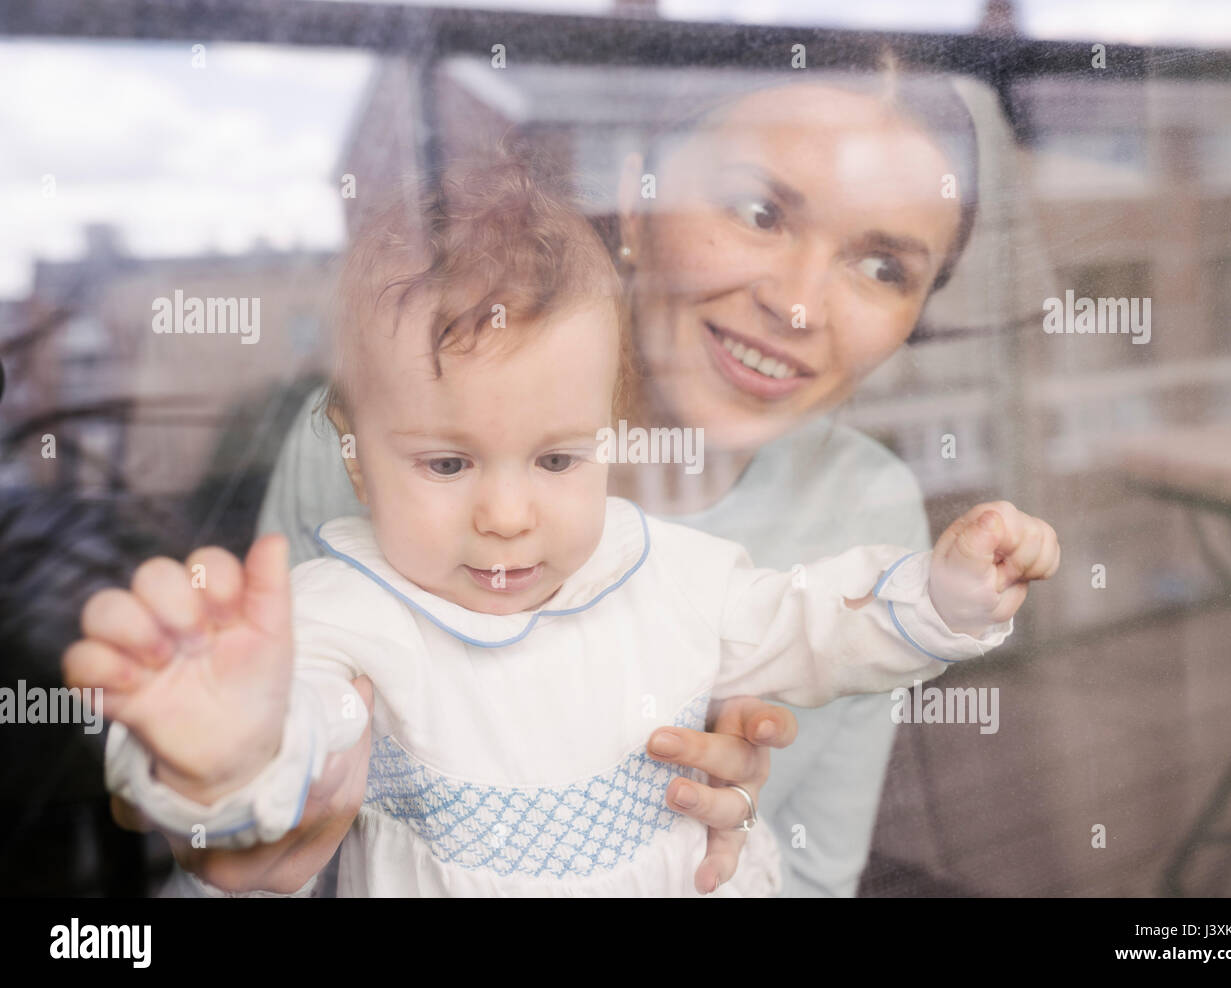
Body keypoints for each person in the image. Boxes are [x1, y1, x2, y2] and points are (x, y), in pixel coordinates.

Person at [103, 58, 1015, 898]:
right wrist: (225, 782)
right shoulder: (351, 575)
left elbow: (817, 760)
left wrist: (947, 599)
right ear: (638, 197)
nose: (799, 303)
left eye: (884, 264)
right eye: (760, 211)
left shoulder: (744, 545)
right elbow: (286, 729)